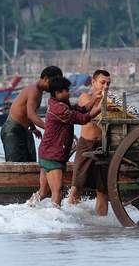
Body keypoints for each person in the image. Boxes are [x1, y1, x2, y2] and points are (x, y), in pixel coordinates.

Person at [37, 76, 102, 206]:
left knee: (43, 193)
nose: (69, 92)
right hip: (52, 156)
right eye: (66, 90)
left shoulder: (60, 104)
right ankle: (56, 222)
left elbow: (81, 110)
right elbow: (83, 119)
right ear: (57, 93)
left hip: (48, 152)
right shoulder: (59, 109)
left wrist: (94, 98)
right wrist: (100, 108)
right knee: (58, 192)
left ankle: (27, 209)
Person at [4, 66, 60, 200]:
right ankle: (12, 197)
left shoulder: (38, 92)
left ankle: (31, 198)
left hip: (25, 129)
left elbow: (26, 113)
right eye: (53, 82)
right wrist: (49, 128)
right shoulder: (33, 91)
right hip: (12, 130)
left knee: (30, 163)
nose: (54, 86)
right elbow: (31, 113)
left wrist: (33, 128)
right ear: (45, 79)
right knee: (16, 166)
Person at [68, 69, 112, 215]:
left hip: (103, 146)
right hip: (86, 144)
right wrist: (101, 100)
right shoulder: (85, 97)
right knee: (77, 186)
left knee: (103, 190)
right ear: (93, 82)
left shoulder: (110, 100)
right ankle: (70, 219)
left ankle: (101, 224)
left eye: (108, 83)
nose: (105, 86)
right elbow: (89, 113)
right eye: (102, 82)